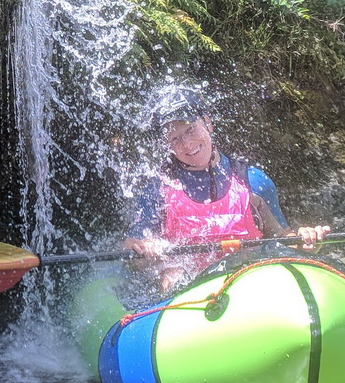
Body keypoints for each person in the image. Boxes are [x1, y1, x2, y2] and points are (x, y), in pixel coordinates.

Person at [123, 93, 329, 291]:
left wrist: (305, 241)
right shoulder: (158, 190)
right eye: (175, 139)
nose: (187, 143)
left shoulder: (254, 181)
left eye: (190, 129)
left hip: (249, 288)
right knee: (175, 276)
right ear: (166, 146)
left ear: (208, 123)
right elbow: (133, 257)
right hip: (187, 300)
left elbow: (284, 241)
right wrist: (143, 251)